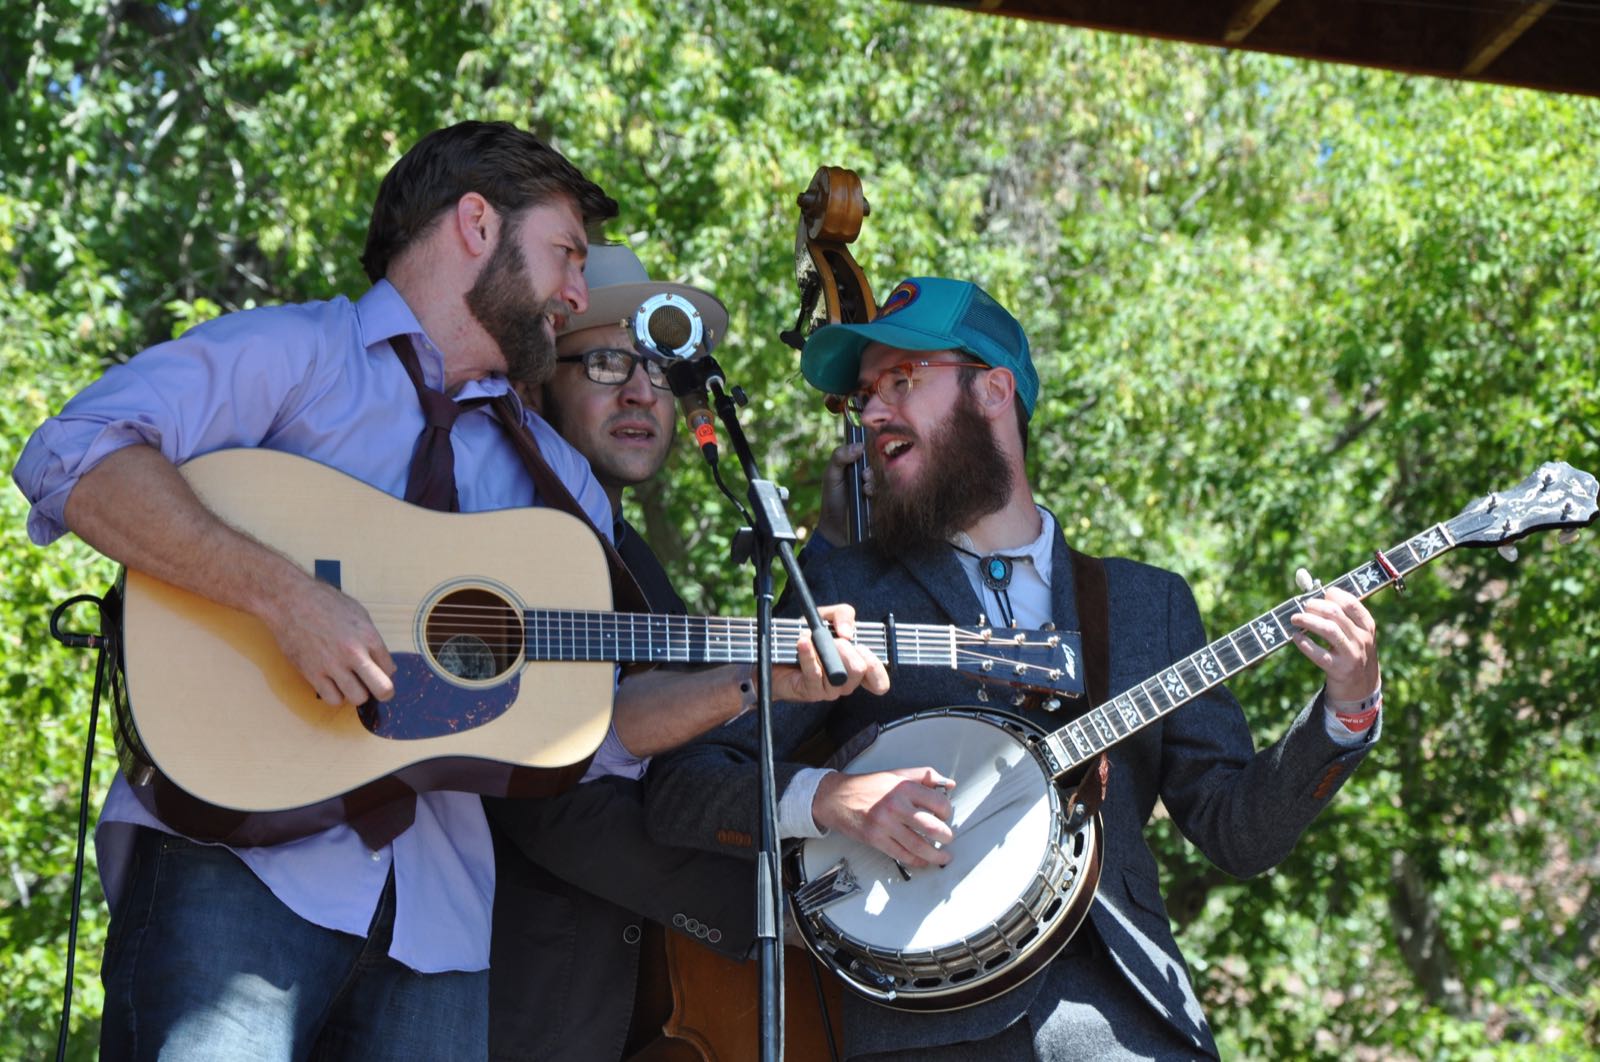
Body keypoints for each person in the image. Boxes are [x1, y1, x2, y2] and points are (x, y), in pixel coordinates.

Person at [12, 120, 877, 1059]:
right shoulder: (302, 356)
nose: (577, 294)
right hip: (237, 865)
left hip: (439, 925)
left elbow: (592, 727)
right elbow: (75, 454)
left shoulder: (558, 478)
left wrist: (762, 676)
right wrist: (284, 597)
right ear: (476, 223)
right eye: (566, 255)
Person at [645, 277, 1384, 1061]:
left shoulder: (1146, 602)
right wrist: (828, 798)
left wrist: (1347, 710)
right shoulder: (839, 591)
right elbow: (684, 788)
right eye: (866, 395)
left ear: (993, 389)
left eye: (902, 381)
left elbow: (1240, 835)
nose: (872, 413)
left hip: (1126, 1020)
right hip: (923, 1031)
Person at [485, 243, 888, 1060]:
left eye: (656, 371)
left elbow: (721, 725)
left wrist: (832, 551)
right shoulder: (514, 537)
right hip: (529, 1013)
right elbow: (550, 801)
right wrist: (794, 911)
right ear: (535, 380)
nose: (641, 391)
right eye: (603, 363)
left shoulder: (629, 555)